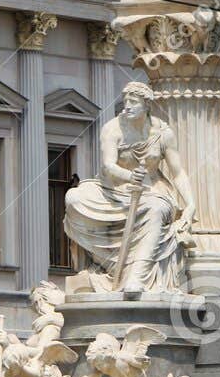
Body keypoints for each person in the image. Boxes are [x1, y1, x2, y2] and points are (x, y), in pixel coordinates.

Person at [64, 81, 194, 297]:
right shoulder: (112, 129)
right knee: (74, 198)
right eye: (126, 102)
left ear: (147, 105)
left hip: (150, 191)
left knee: (156, 209)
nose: (128, 106)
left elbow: (178, 172)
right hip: (111, 190)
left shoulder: (163, 133)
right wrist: (130, 175)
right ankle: (110, 263)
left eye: (134, 102)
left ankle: (136, 276)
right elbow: (108, 165)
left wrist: (190, 204)